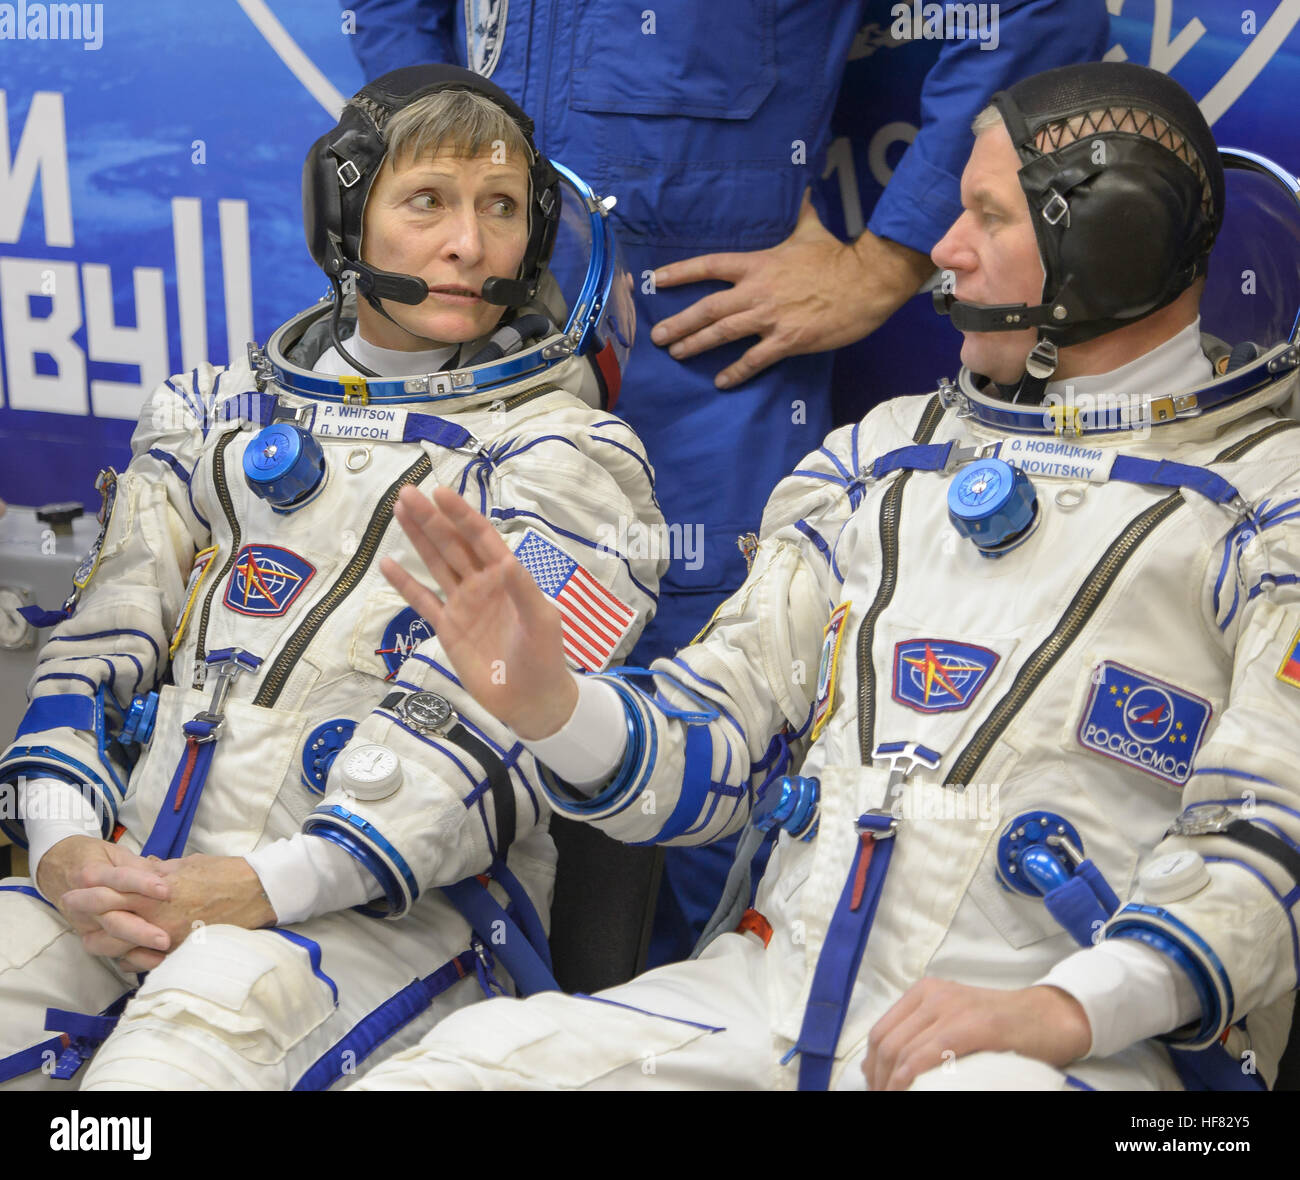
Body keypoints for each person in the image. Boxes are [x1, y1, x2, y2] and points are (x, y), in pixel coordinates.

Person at [357, 62, 1300, 1090]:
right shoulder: (876, 462)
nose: (943, 250)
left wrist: (1073, 1006)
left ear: (1112, 239)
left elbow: (1272, 834)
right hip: (771, 1000)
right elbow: (716, 738)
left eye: (985, 216)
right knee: (460, 1070)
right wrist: (552, 703)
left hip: (1057, 1039)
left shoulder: (1263, 501)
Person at [343, 0, 1112, 966]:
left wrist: (890, 258)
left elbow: (1040, 9)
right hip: (469, 309)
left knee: (723, 724)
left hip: (699, 338)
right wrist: (422, 142)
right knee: (415, 675)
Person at [0, 64, 663, 1090]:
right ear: (349, 219)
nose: (469, 245)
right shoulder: (210, 417)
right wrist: (61, 849)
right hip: (131, 868)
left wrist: (259, 884)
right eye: (426, 202)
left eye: (499, 209)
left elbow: (488, 732)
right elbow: (95, 647)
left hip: (396, 910)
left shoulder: (576, 464)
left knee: (164, 1074)